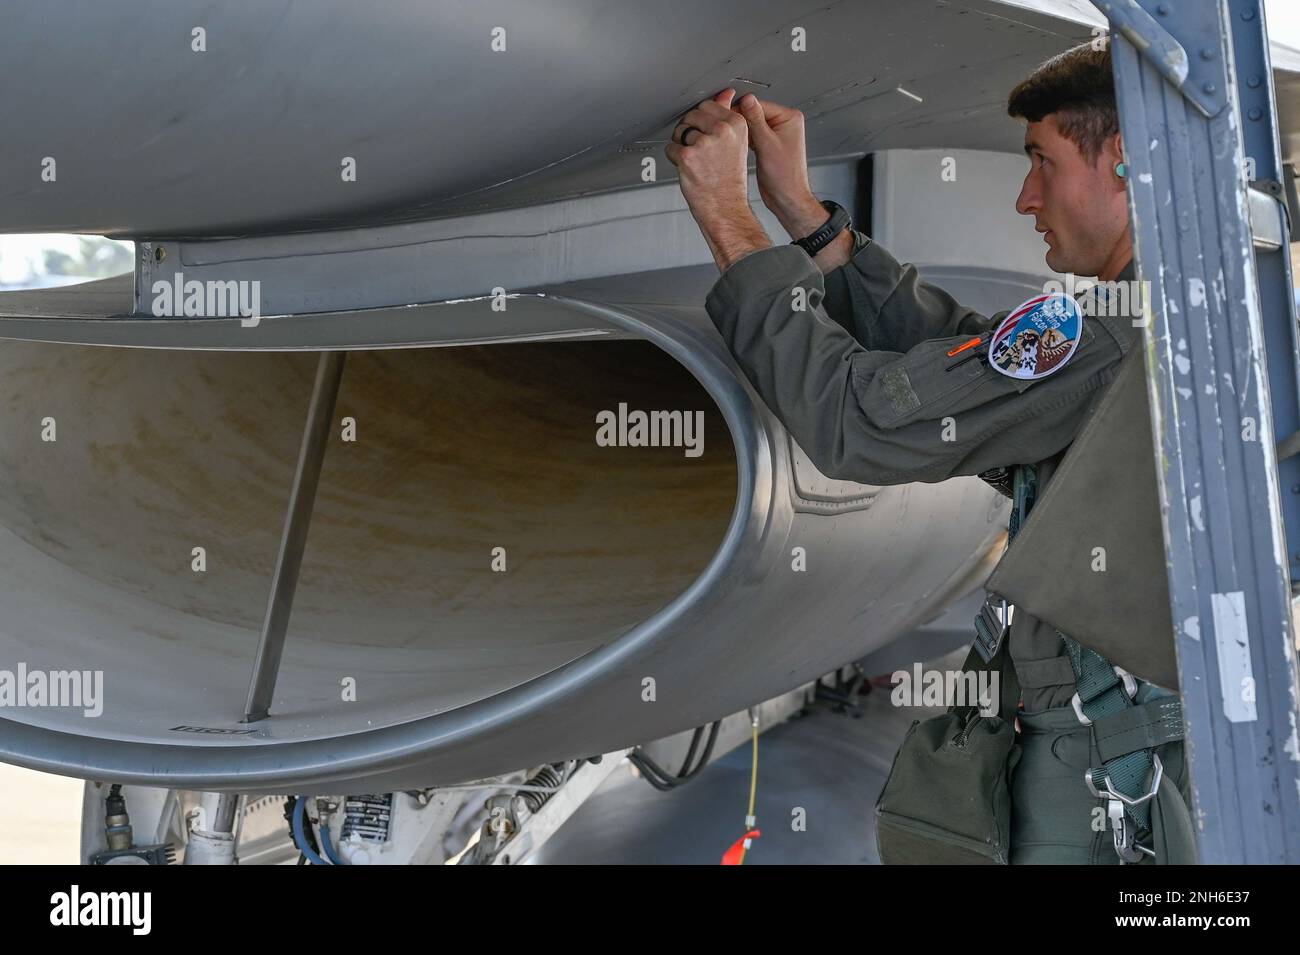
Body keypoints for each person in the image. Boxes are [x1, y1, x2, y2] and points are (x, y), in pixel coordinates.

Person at [665, 40, 1191, 864]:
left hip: (1108, 779)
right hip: (1147, 751)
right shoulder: (1180, 312)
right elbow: (970, 364)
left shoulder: (1108, 338)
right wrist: (805, 213)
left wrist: (729, 220)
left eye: (1042, 163)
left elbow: (860, 419)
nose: (1026, 198)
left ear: (1123, 161)